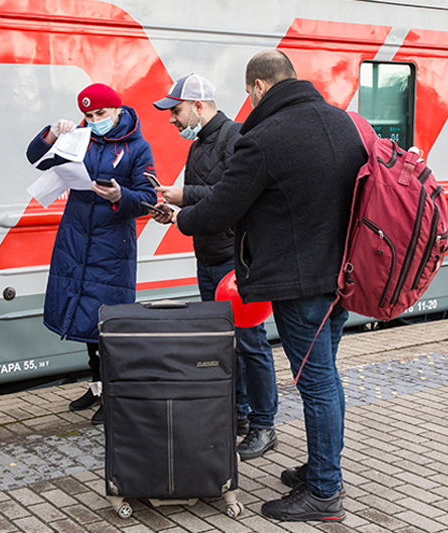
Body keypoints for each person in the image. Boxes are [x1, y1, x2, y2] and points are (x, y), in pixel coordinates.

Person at [169, 51, 367, 522]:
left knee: (317, 385)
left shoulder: (264, 138)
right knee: (327, 380)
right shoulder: (342, 123)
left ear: (258, 87)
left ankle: (324, 492)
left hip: (301, 284)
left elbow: (221, 209)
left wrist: (182, 218)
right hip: (342, 276)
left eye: (249, 92)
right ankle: (320, 469)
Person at [150, 74, 278, 458]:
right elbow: (207, 205)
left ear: (199, 106)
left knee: (252, 344)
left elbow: (234, 195)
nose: (172, 119)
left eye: (176, 110)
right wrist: (174, 212)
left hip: (235, 261)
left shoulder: (234, 137)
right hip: (208, 258)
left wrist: (184, 194)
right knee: (226, 344)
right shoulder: (200, 145)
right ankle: (237, 415)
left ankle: (264, 424)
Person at [26, 83, 157, 425]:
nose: (94, 120)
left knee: (107, 323)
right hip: (76, 239)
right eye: (88, 115)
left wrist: (118, 195)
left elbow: (147, 198)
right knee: (83, 316)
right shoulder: (78, 138)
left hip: (112, 244)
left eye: (100, 113)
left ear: (116, 111)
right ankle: (97, 387)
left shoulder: (138, 147)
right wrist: (52, 134)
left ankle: (115, 395)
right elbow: (36, 160)